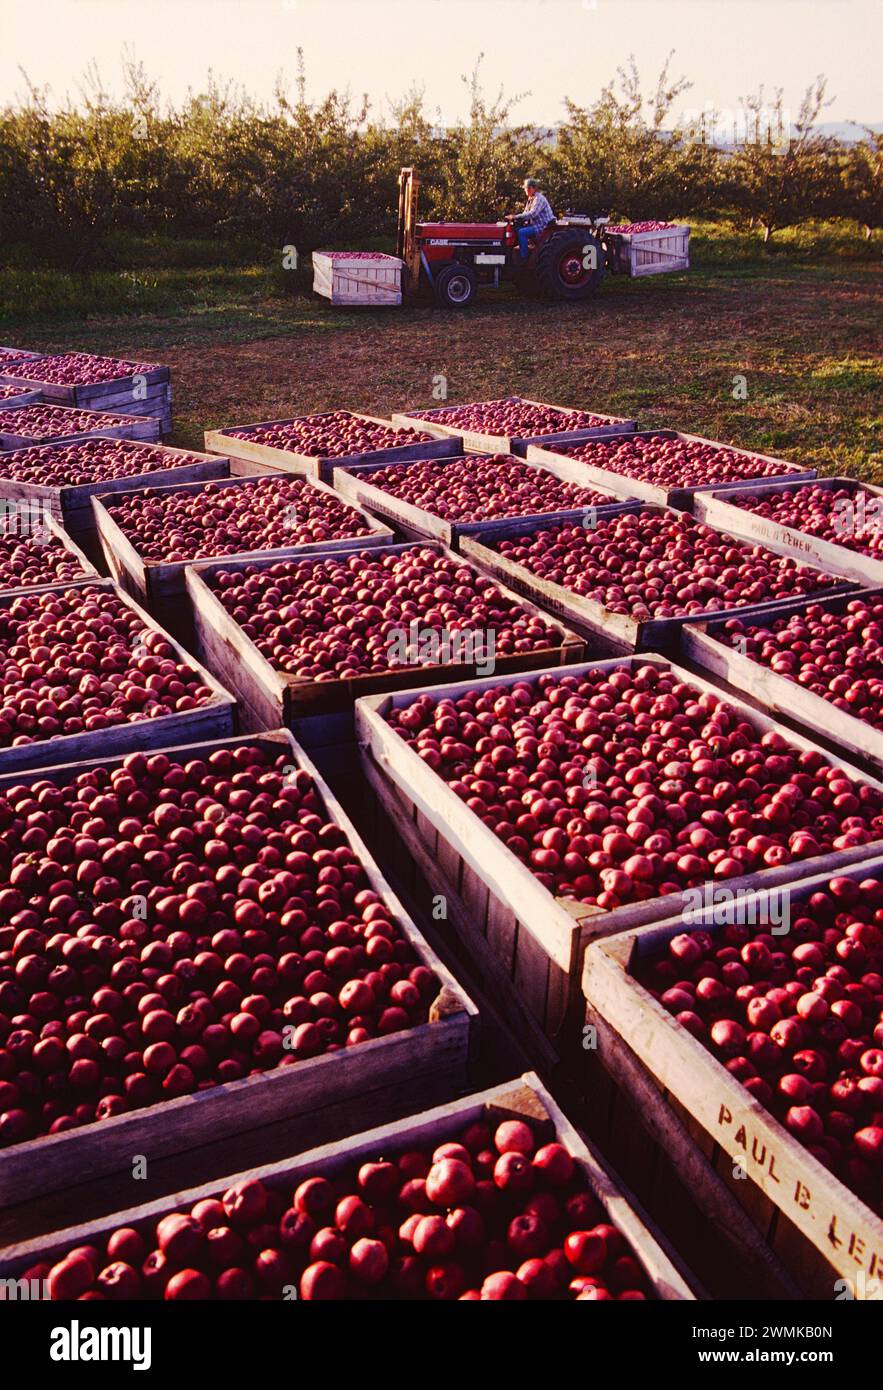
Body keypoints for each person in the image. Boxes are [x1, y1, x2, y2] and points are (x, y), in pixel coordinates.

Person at [514, 178, 555, 259]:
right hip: (536, 225)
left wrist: (516, 216)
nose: (526, 190)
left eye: (528, 188)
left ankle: (524, 257)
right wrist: (515, 218)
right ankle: (518, 252)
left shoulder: (539, 199)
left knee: (522, 232)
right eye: (526, 188)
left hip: (543, 226)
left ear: (533, 188)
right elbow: (525, 213)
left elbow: (533, 213)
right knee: (516, 229)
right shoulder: (531, 199)